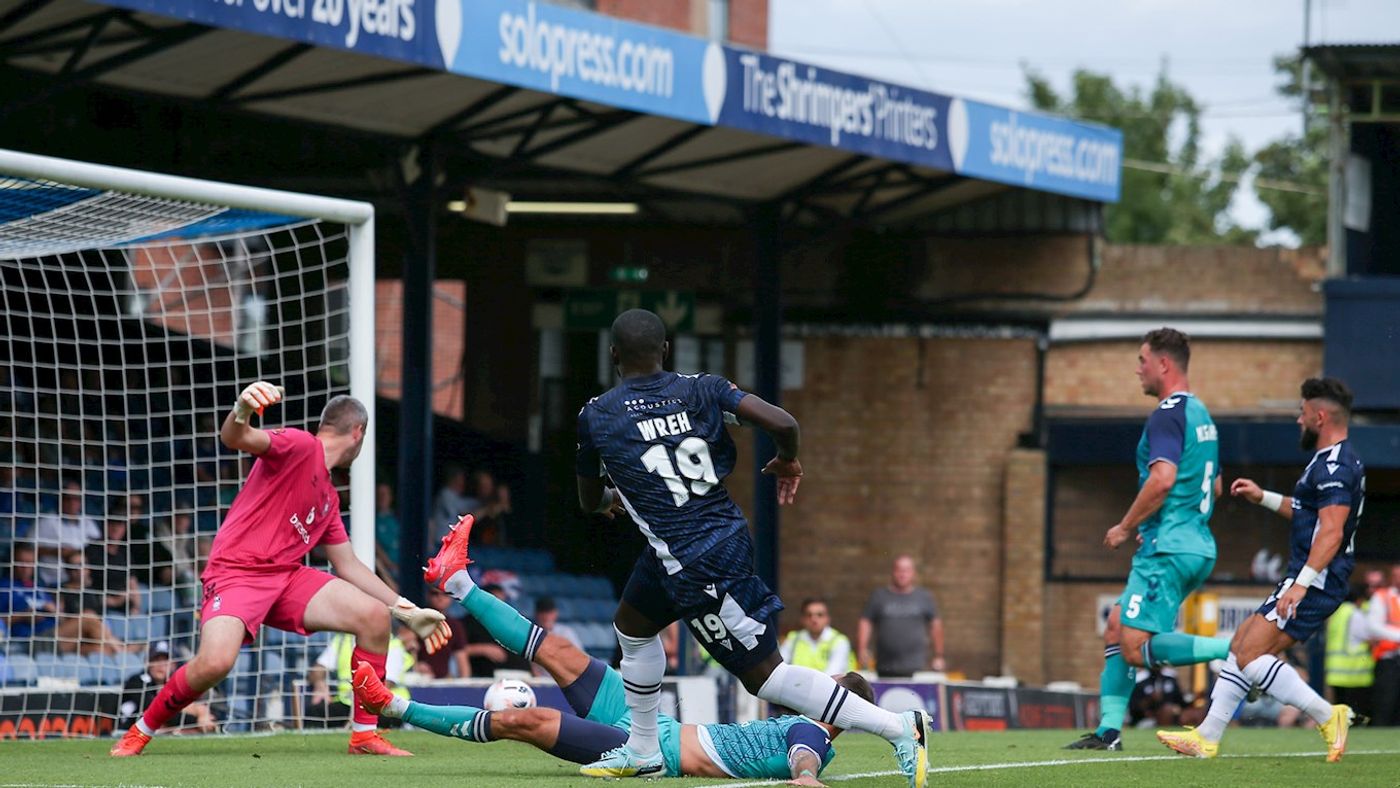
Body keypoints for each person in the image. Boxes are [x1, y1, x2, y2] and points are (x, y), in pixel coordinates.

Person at [573, 309, 929, 786]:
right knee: (632, 628)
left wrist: (607, 501)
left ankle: (900, 728)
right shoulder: (702, 387)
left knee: (765, 676)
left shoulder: (596, 415)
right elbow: (783, 423)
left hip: (698, 562)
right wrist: (787, 460)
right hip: (692, 545)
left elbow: (587, 498)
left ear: (612, 354)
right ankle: (642, 750)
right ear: (666, 351)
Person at [353, 516, 866, 786]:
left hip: (653, 756)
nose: (814, 694)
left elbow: (805, 757)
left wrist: (804, 780)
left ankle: (393, 707)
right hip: (651, 723)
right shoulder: (797, 726)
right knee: (558, 650)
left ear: (834, 711)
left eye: (829, 692)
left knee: (522, 721)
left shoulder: (811, 734)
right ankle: (459, 580)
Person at [110, 382, 451, 758]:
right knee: (215, 663)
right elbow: (236, 437)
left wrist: (405, 609)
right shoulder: (301, 445)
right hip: (235, 572)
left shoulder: (329, 497)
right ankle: (140, 731)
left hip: (285, 578)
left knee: (372, 616)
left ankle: (364, 735)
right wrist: (241, 408)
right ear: (358, 433)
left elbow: (348, 565)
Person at [1157, 377, 1363, 762]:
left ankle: (1326, 715)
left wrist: (1301, 585)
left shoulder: (1336, 465)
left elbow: (1332, 532)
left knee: (1251, 653)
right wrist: (1262, 497)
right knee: (1241, 645)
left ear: (1320, 416)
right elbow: (1307, 514)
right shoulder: (1327, 461)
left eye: (1302, 414)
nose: (1298, 421)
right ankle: (1207, 736)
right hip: (1308, 573)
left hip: (1317, 577)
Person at [1067, 328, 1231, 752]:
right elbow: (1212, 487)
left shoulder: (1167, 413)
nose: (1137, 368)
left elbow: (1163, 479)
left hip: (1167, 547)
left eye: (1142, 360)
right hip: (1195, 541)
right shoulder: (1201, 415)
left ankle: (1236, 649)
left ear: (1163, 364)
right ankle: (1109, 731)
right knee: (1117, 624)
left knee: (1135, 648)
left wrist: (1125, 527)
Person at [0, 542, 126, 655]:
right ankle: (122, 653)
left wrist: (56, 612)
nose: (26, 568)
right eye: (21, 563)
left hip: (58, 637)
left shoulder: (38, 587)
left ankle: (122, 653)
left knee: (100, 650)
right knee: (88, 616)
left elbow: (59, 616)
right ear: (12, 562)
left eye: (30, 563)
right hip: (33, 640)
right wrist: (23, 616)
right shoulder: (4, 587)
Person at [307, 622, 416, 728]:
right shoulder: (342, 640)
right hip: (348, 703)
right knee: (315, 712)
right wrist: (319, 684)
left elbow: (386, 685)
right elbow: (318, 668)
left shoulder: (391, 643)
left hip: (384, 705)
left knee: (382, 718)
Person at [858, 558, 943, 677]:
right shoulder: (879, 596)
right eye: (899, 570)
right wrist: (862, 649)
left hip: (916, 666)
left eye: (907, 570)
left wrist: (938, 655)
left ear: (913, 573)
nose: (903, 574)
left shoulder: (923, 597)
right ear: (893, 572)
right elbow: (865, 622)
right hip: (884, 665)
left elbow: (935, 625)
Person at [118, 641, 217, 734]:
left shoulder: (177, 685)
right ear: (148, 663)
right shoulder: (137, 682)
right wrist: (196, 721)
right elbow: (155, 711)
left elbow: (194, 707)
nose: (161, 665)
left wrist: (203, 715)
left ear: (174, 664)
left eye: (166, 660)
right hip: (126, 732)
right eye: (156, 660)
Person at [1325, 583, 1383, 723]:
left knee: (1340, 711)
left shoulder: (1337, 612)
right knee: (1356, 713)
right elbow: (1368, 637)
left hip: (1335, 671)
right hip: (1354, 672)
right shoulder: (1355, 614)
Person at [33, 481, 101, 586]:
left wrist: (78, 552)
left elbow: (98, 547)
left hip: (82, 580)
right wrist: (55, 552)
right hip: (54, 580)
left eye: (76, 498)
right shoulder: (46, 521)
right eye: (68, 498)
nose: (72, 502)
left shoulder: (87, 521)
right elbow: (27, 549)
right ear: (60, 499)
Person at [463, 583, 532, 677]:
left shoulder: (512, 620)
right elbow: (458, 650)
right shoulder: (468, 622)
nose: (499, 604)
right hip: (489, 677)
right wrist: (482, 649)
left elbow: (528, 648)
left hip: (524, 675)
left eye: (502, 600)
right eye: (495, 600)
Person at [784, 597, 858, 675]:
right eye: (809, 615)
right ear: (803, 619)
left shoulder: (840, 641)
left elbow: (833, 675)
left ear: (828, 618)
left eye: (820, 615)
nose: (814, 619)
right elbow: (781, 669)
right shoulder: (793, 639)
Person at [414, 587, 470, 679]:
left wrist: (465, 683)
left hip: (443, 680)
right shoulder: (416, 619)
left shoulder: (455, 625)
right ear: (428, 596)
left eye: (445, 594)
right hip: (417, 678)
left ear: (451, 598)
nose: (440, 598)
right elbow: (407, 648)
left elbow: (461, 658)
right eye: (435, 594)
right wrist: (415, 666)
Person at [1370, 564, 1400, 726]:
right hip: (1389, 660)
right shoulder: (1382, 597)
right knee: (1385, 704)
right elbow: (1374, 627)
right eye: (1396, 575)